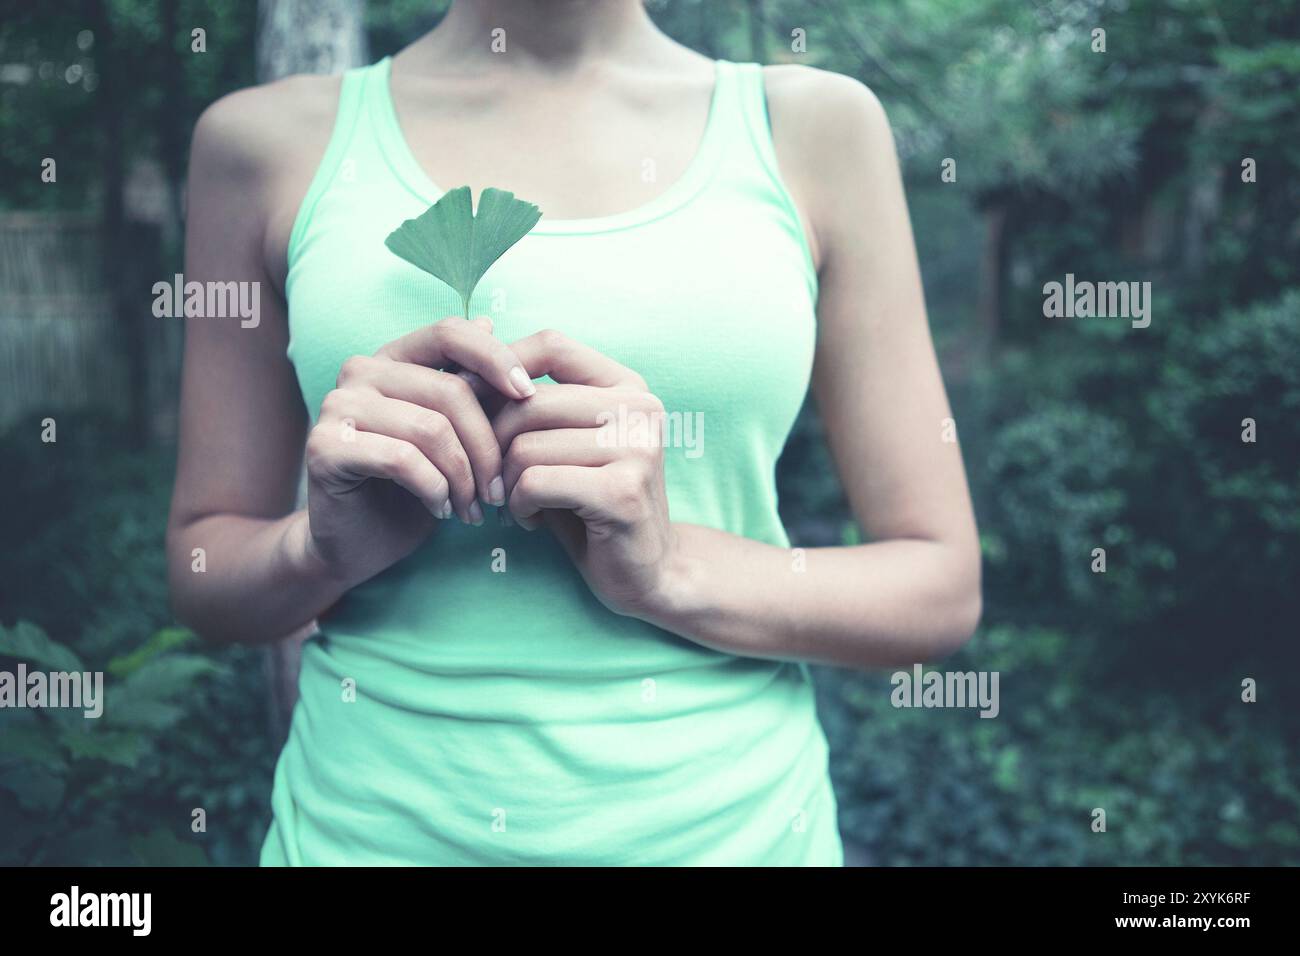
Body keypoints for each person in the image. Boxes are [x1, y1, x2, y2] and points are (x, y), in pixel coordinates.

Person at [167, 0, 981, 865]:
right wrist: (320, 550)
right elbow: (203, 571)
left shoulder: (815, 127)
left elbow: (938, 586)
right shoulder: (259, 144)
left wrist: (671, 571)